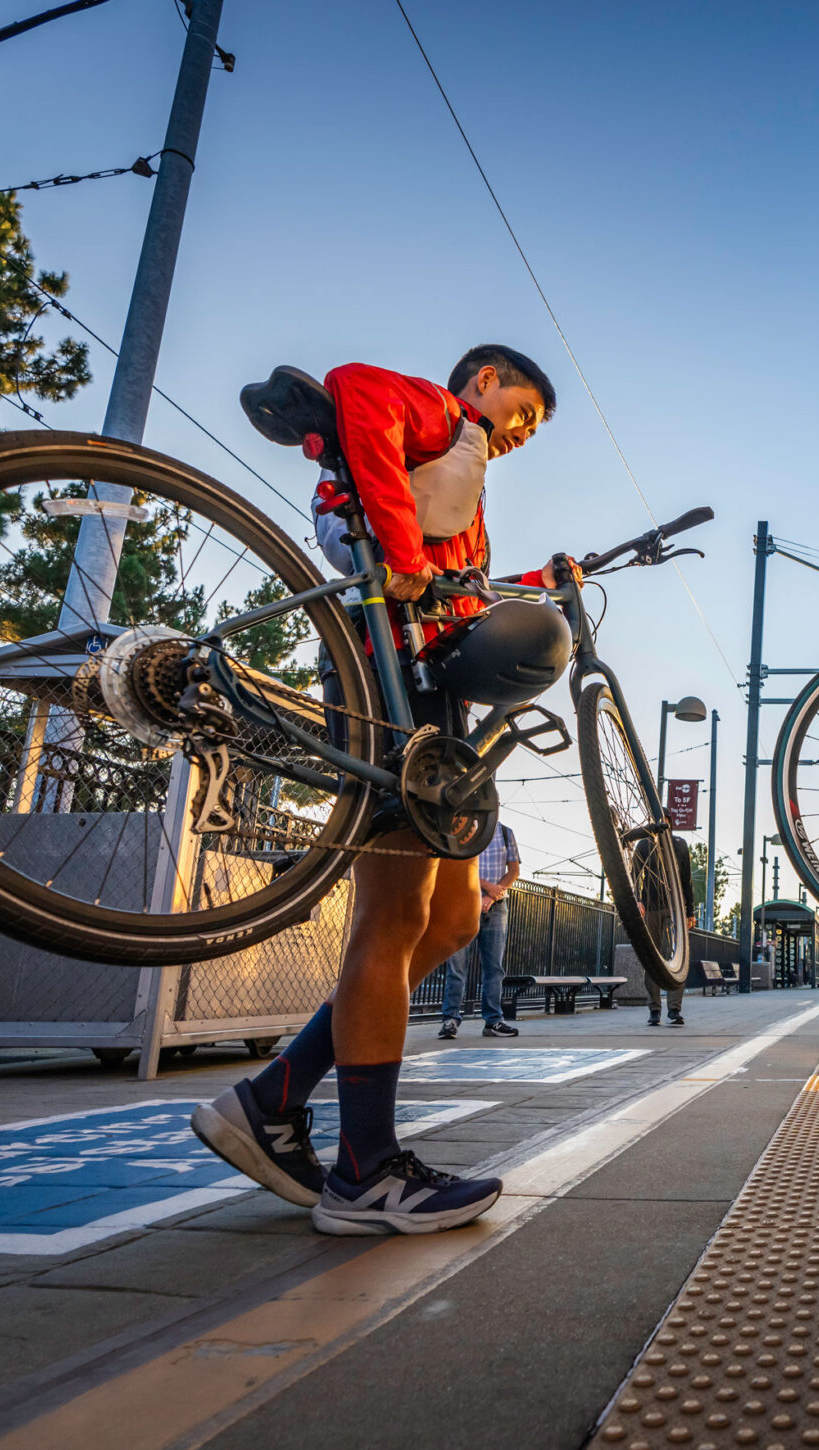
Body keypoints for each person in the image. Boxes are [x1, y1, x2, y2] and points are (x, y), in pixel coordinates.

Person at [192, 346, 576, 1236]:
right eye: (521, 411)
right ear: (483, 381)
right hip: (383, 684)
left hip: (427, 691)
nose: (518, 434)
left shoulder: (458, 482)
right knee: (393, 919)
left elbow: (457, 595)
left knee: (453, 920)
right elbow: (358, 390)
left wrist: (538, 589)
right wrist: (401, 551)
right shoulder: (446, 418)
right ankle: (364, 1171)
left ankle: (273, 1098)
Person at [436, 821, 521, 1039]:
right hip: (463, 902)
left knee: (494, 968)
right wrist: (487, 887)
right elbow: (456, 866)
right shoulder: (462, 832)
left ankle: (493, 1021)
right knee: (457, 966)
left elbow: (514, 870)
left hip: (496, 906)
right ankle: (450, 1021)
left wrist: (492, 896)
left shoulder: (505, 831)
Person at [646, 835, 698, 1026]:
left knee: (677, 958)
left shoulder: (679, 845)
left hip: (674, 908)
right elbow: (634, 874)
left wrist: (690, 912)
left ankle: (674, 1009)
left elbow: (687, 879)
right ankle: (654, 1009)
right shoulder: (644, 844)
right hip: (650, 907)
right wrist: (636, 900)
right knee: (651, 957)